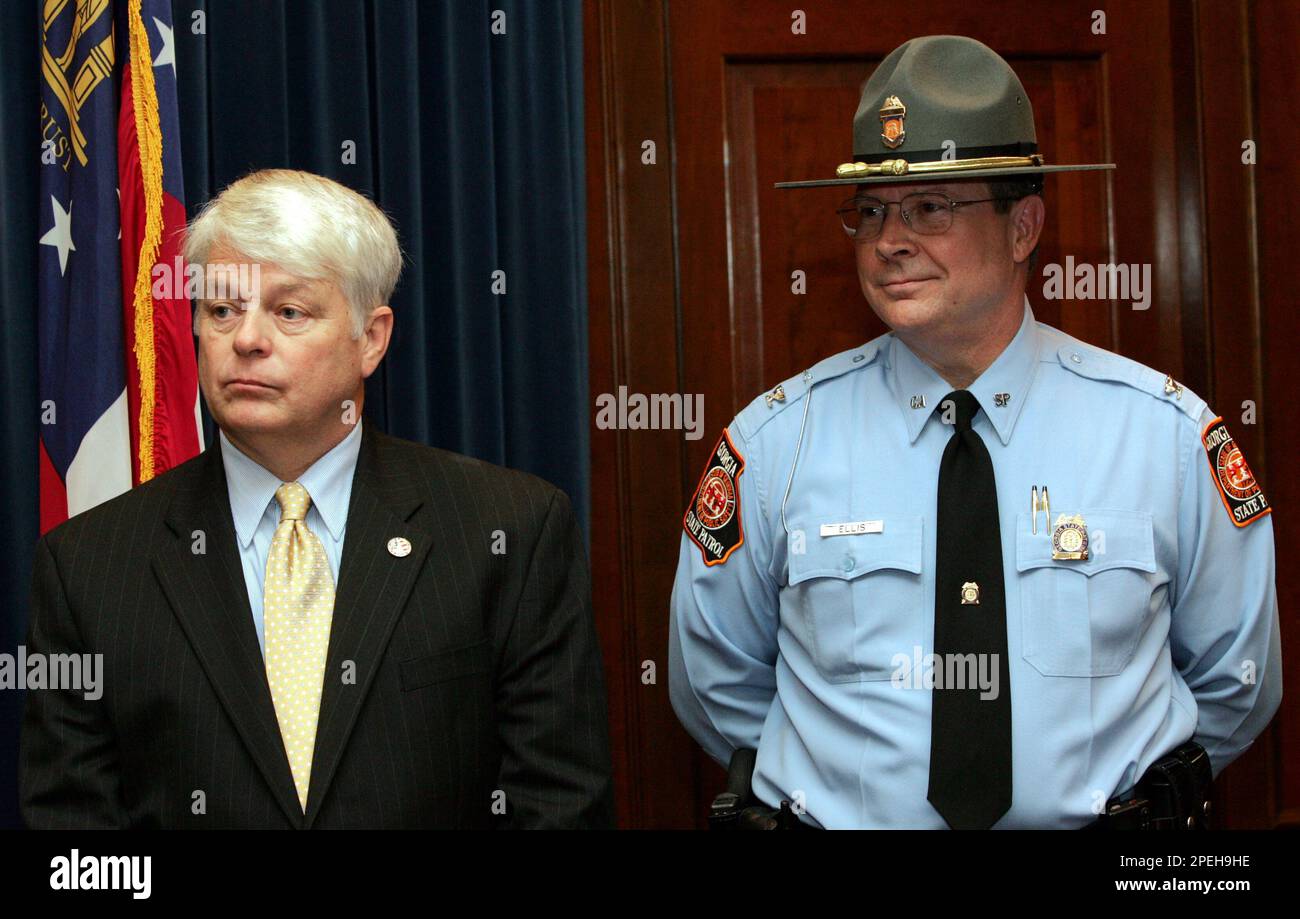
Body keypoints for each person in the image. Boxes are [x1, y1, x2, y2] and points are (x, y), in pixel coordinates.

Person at [669, 35, 1281, 829]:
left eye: (931, 207)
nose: (890, 240)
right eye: (871, 211)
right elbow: (713, 682)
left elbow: (1238, 680)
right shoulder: (776, 444)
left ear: (1023, 227)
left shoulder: (1162, 435)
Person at [21, 168, 614, 828]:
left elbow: (560, 804)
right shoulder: (89, 565)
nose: (245, 339)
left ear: (372, 337)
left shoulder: (510, 531)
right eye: (222, 309)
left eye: (288, 311)